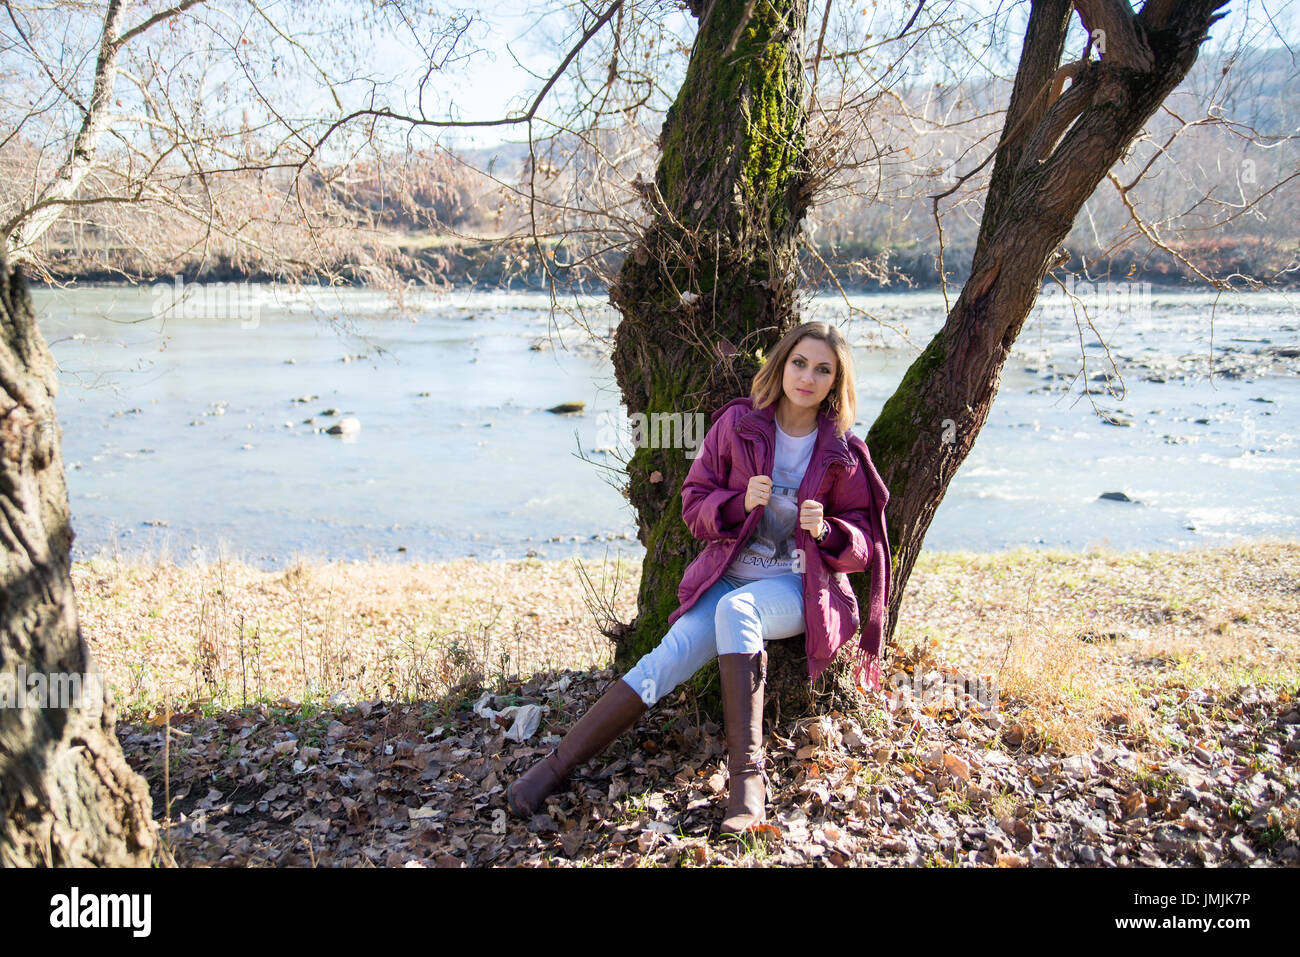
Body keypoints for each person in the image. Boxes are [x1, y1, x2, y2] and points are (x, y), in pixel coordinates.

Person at [506, 321, 891, 836]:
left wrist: (827, 530)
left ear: (835, 382)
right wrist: (737, 503)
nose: (808, 376)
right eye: (800, 362)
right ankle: (551, 769)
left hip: (801, 588)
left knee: (740, 611)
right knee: (661, 660)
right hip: (730, 579)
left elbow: (867, 543)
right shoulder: (738, 425)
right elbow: (693, 505)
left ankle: (747, 783)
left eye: (823, 369)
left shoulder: (842, 450)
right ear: (782, 365)